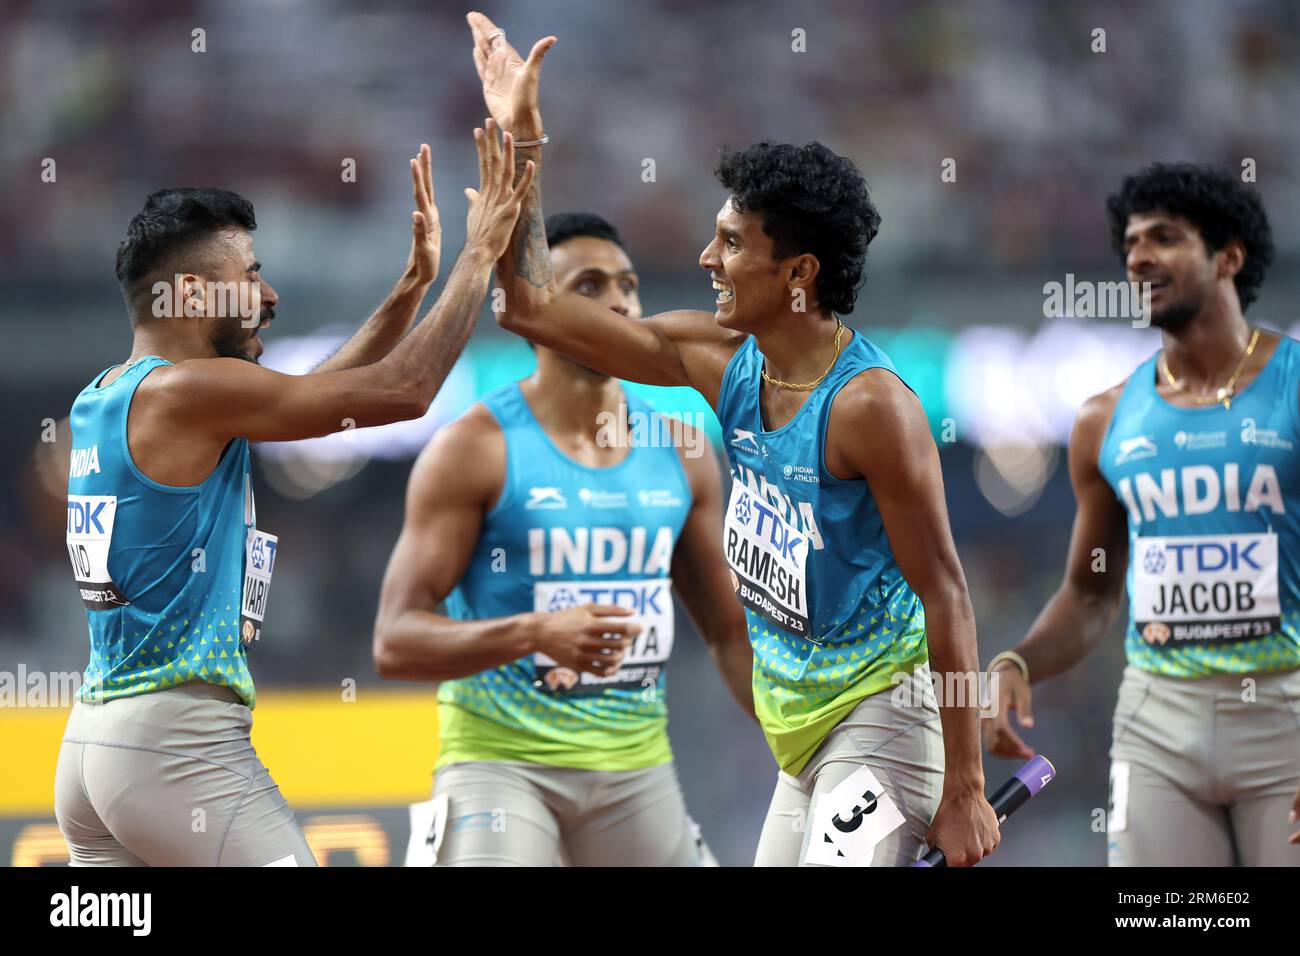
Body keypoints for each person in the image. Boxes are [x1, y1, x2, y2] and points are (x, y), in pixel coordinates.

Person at [462, 12, 1000, 867]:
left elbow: (947, 593)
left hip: (882, 714)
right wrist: (522, 139)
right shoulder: (720, 361)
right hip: (796, 731)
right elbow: (527, 308)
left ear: (798, 272)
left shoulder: (871, 408)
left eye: (731, 243)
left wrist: (966, 788)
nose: (706, 258)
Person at [56, 122, 534, 865]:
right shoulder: (191, 391)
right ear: (188, 293)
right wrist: (479, 255)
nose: (268, 295)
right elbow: (404, 393)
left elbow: (319, 398)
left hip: (94, 747)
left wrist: (412, 286)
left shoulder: (107, 398)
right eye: (248, 275)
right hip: (177, 747)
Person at [373, 210, 753, 866]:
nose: (620, 301)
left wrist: (813, 753)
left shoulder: (684, 449)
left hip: (637, 769)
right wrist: (534, 632)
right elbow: (395, 641)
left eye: (628, 284)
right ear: (539, 310)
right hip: (500, 765)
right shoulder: (476, 448)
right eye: (590, 286)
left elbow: (729, 635)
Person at [984, 162, 1300, 866]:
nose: (1138, 258)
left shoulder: (1294, 388)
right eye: (1130, 244)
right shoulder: (1104, 420)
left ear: (1229, 256)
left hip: (1287, 715)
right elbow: (1091, 590)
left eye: (1165, 238)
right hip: (1160, 725)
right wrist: (1018, 661)